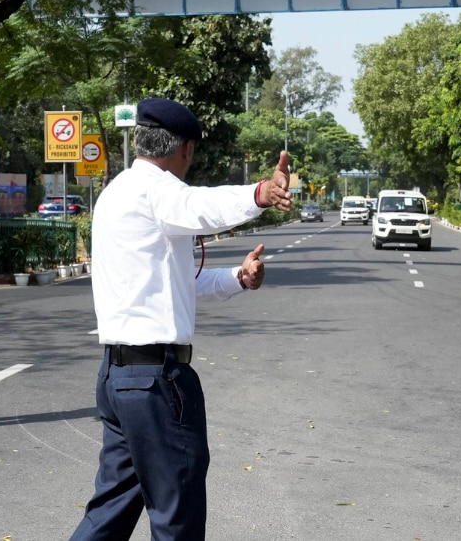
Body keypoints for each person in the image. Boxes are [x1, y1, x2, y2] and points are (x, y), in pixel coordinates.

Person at [68, 97, 293, 541]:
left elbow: (173, 283)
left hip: (119, 379)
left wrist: (237, 278)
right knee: (178, 519)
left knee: (109, 512)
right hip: (156, 383)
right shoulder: (158, 191)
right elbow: (201, 206)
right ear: (185, 149)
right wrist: (260, 193)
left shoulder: (116, 194)